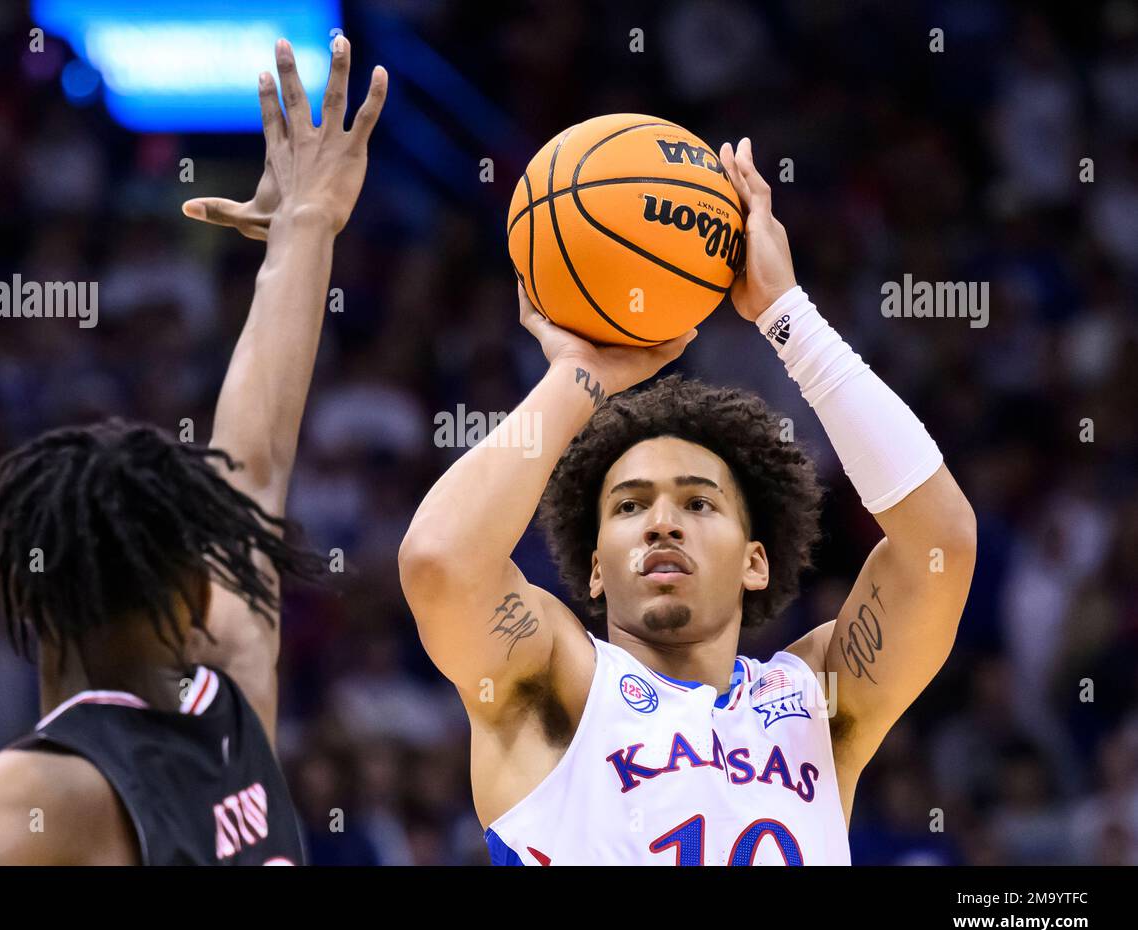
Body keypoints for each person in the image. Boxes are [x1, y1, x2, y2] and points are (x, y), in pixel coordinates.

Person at [399, 137, 977, 865]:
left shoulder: (818, 705)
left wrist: (788, 317)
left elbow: (942, 546)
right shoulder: (557, 684)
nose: (663, 521)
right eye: (630, 506)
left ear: (756, 561)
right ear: (596, 567)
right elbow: (439, 563)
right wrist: (578, 375)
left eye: (699, 504)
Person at [0, 36, 387, 865]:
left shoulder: (32, 795)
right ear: (197, 592)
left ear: (29, 602)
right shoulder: (235, 694)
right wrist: (306, 227)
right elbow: (259, 455)